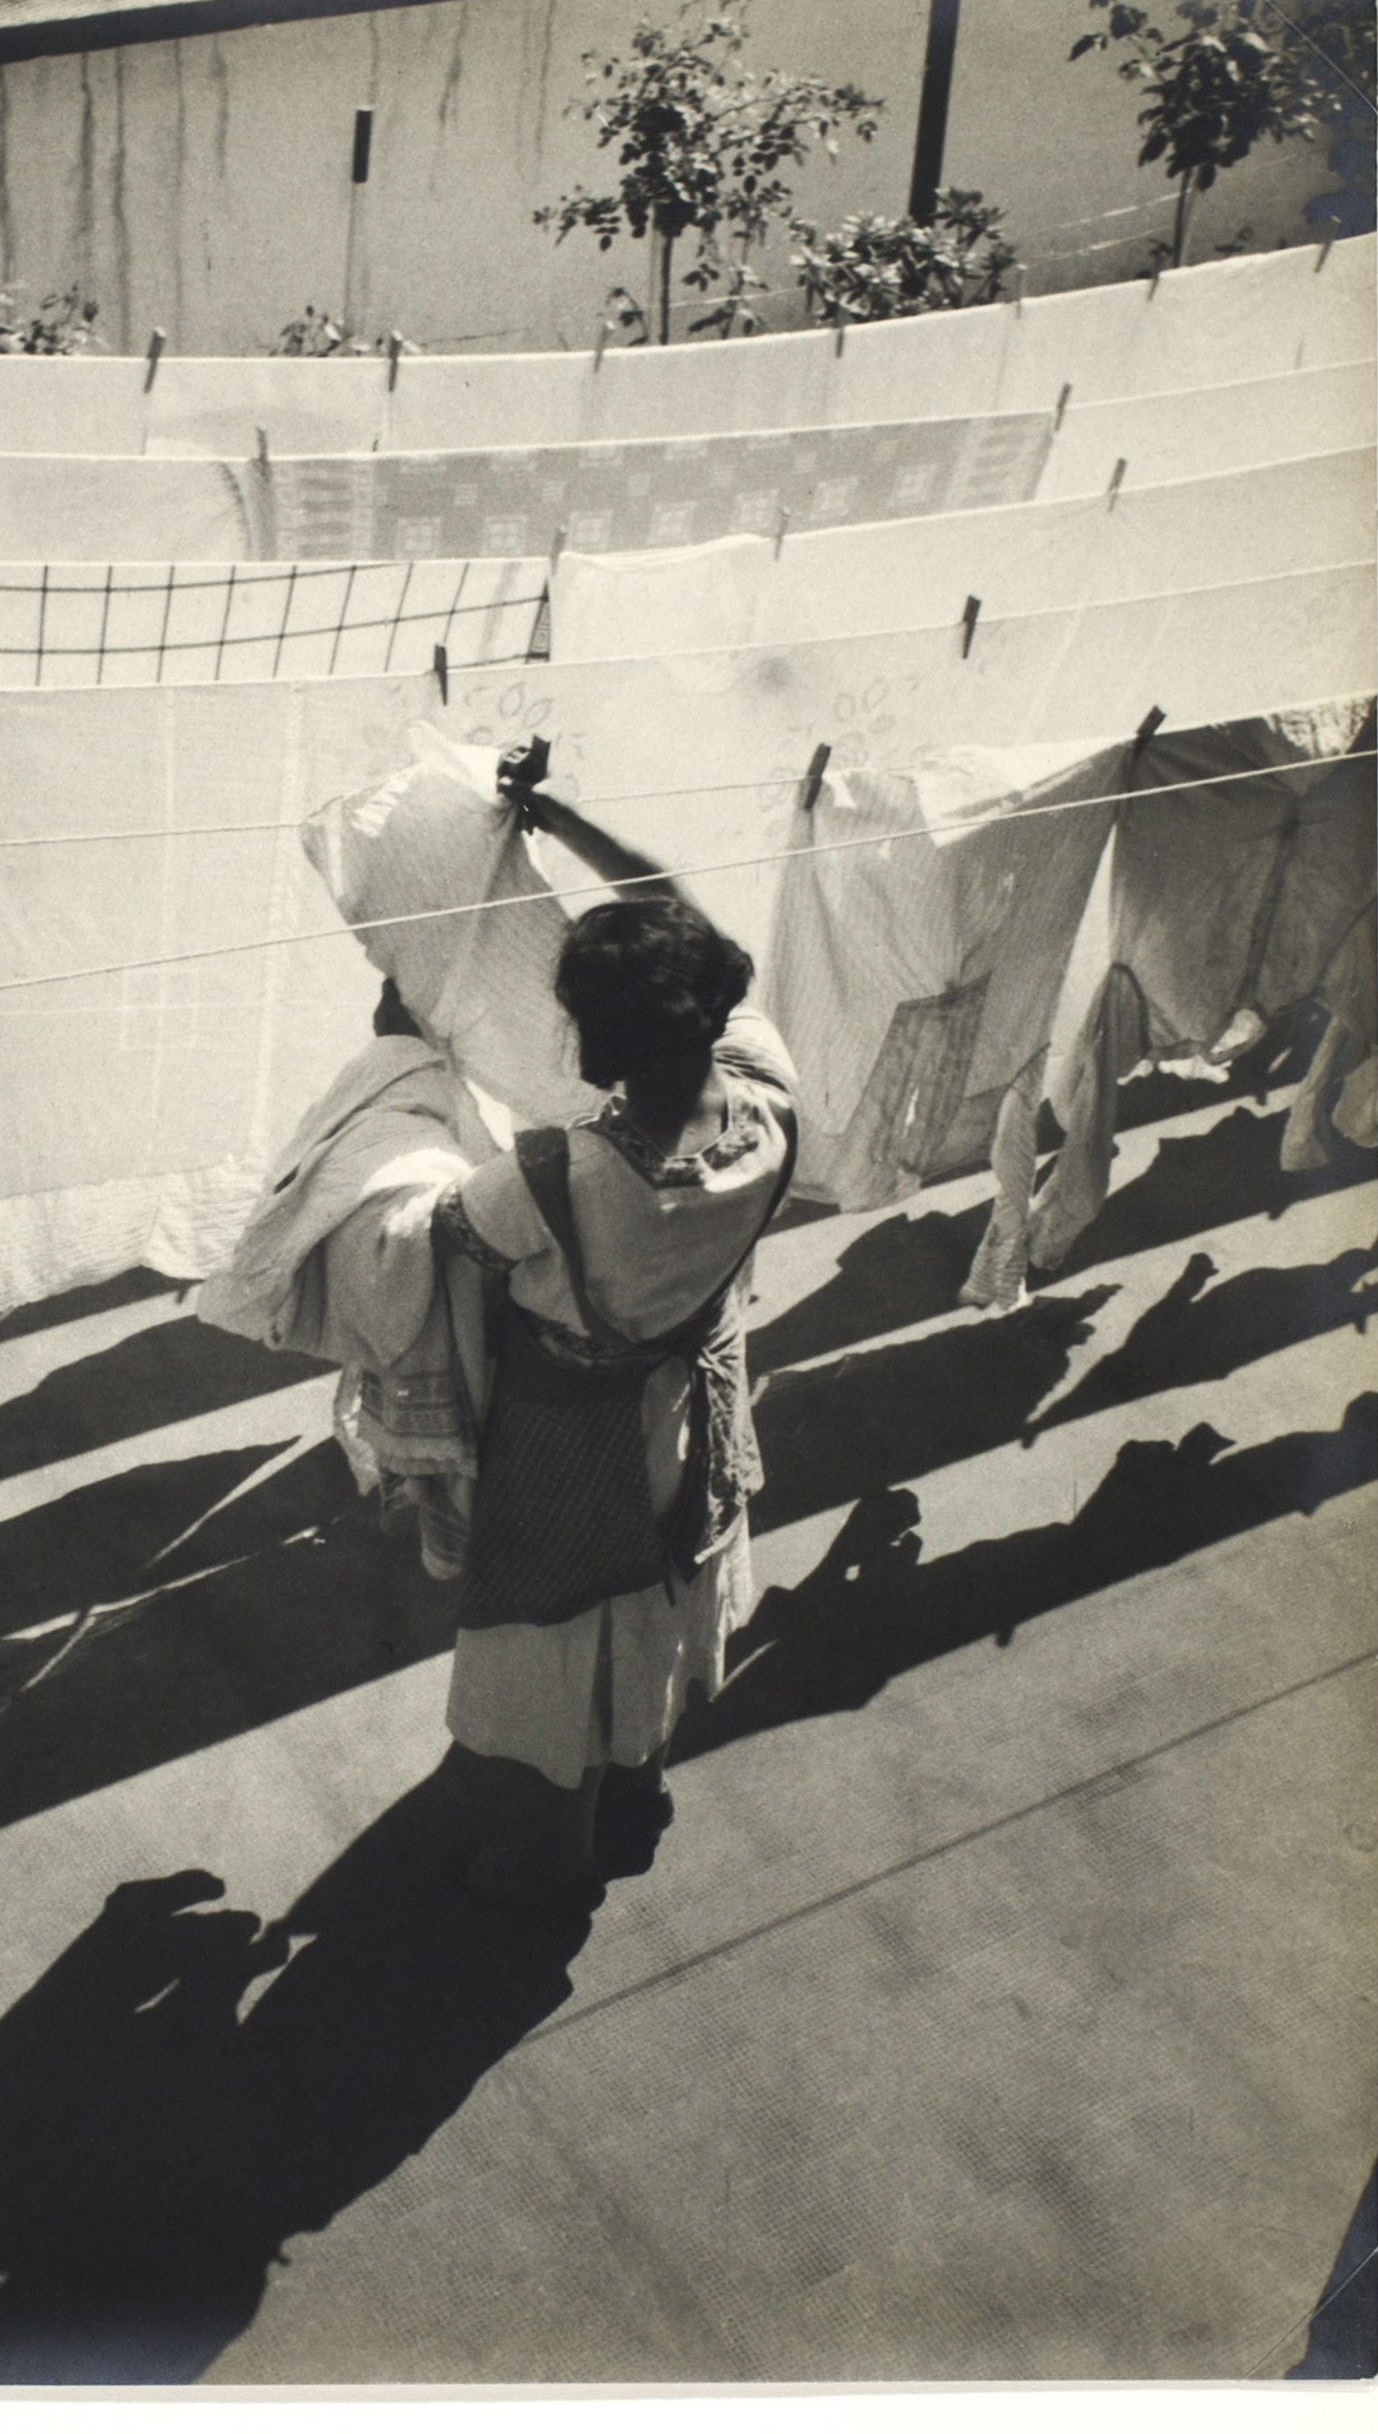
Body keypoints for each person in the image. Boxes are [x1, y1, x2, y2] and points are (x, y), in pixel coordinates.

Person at [430, 769, 800, 1915]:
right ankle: (640, 1780)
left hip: (572, 1437)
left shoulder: (547, 1181)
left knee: (573, 1634)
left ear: (594, 1039)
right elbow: (678, 907)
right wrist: (573, 820)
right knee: (664, 1593)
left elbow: (443, 1249)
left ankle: (563, 1853)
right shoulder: (769, 1105)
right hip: (697, 1399)